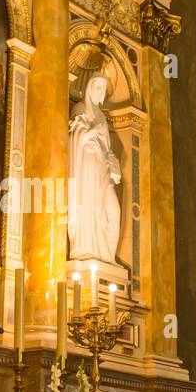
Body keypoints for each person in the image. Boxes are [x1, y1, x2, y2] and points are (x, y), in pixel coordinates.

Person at [67, 75, 122, 262]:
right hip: (86, 165)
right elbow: (75, 138)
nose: (99, 91)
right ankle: (87, 249)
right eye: (96, 86)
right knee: (89, 205)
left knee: (114, 211)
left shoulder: (101, 116)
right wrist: (94, 131)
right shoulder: (80, 108)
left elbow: (107, 147)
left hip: (103, 168)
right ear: (89, 88)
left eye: (102, 88)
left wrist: (113, 161)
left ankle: (107, 255)